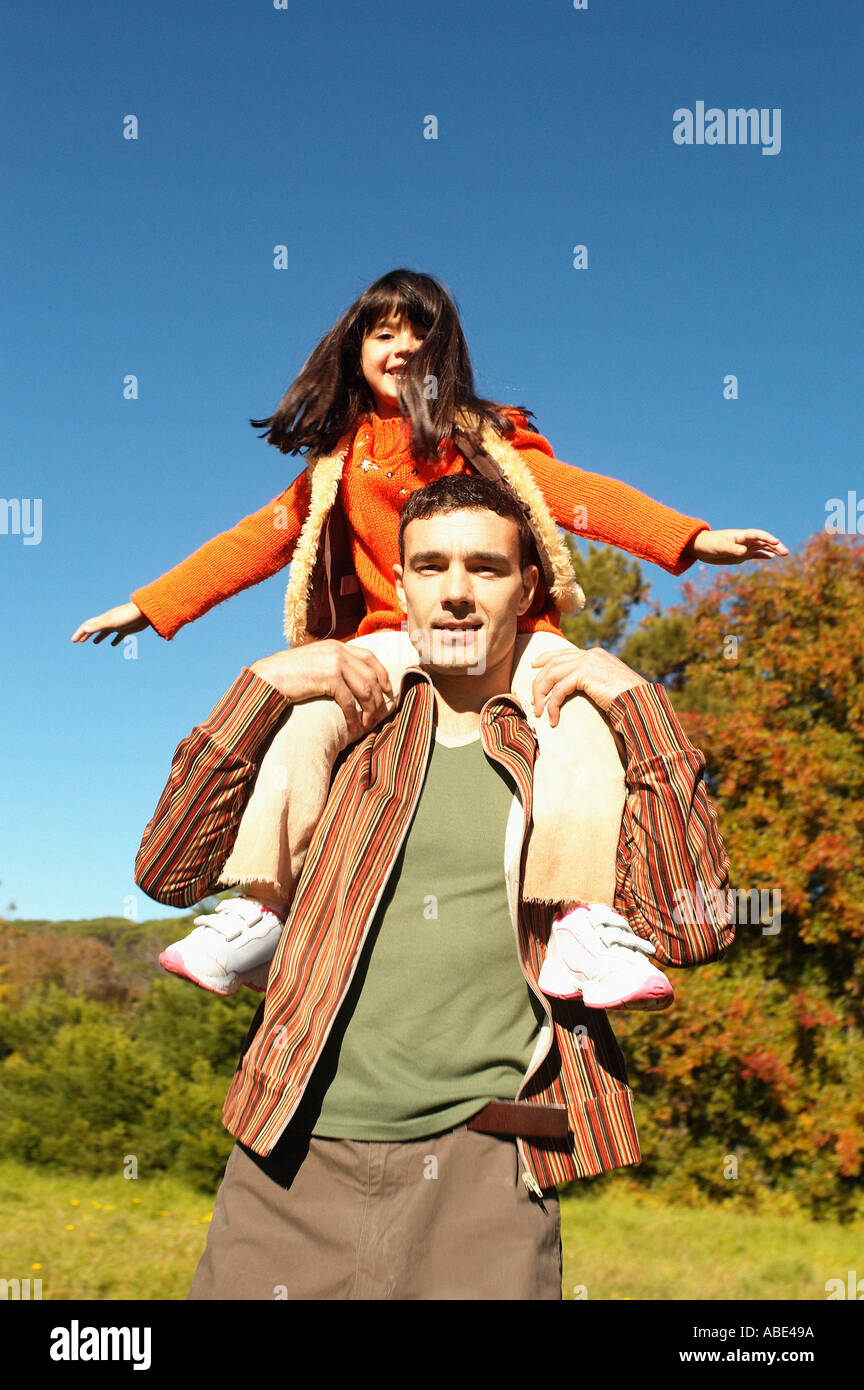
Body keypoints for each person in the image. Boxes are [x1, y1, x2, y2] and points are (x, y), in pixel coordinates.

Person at [78, 268, 777, 1006]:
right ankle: (262, 909)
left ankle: (582, 923)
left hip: (516, 635)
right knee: (308, 718)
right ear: (356, 350)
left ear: (446, 353)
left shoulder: (484, 436)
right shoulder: (339, 462)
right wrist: (149, 606)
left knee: (577, 714)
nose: (403, 347)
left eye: (421, 334)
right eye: (385, 333)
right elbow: (258, 541)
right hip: (394, 635)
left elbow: (581, 496)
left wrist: (692, 539)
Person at [134, 473, 734, 1300]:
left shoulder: (567, 759)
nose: (456, 594)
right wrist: (260, 689)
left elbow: (692, 930)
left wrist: (643, 714)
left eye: (485, 568)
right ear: (401, 583)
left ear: (529, 588)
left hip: (486, 1180)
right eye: (431, 567)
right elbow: (168, 873)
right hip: (289, 1166)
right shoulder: (345, 736)